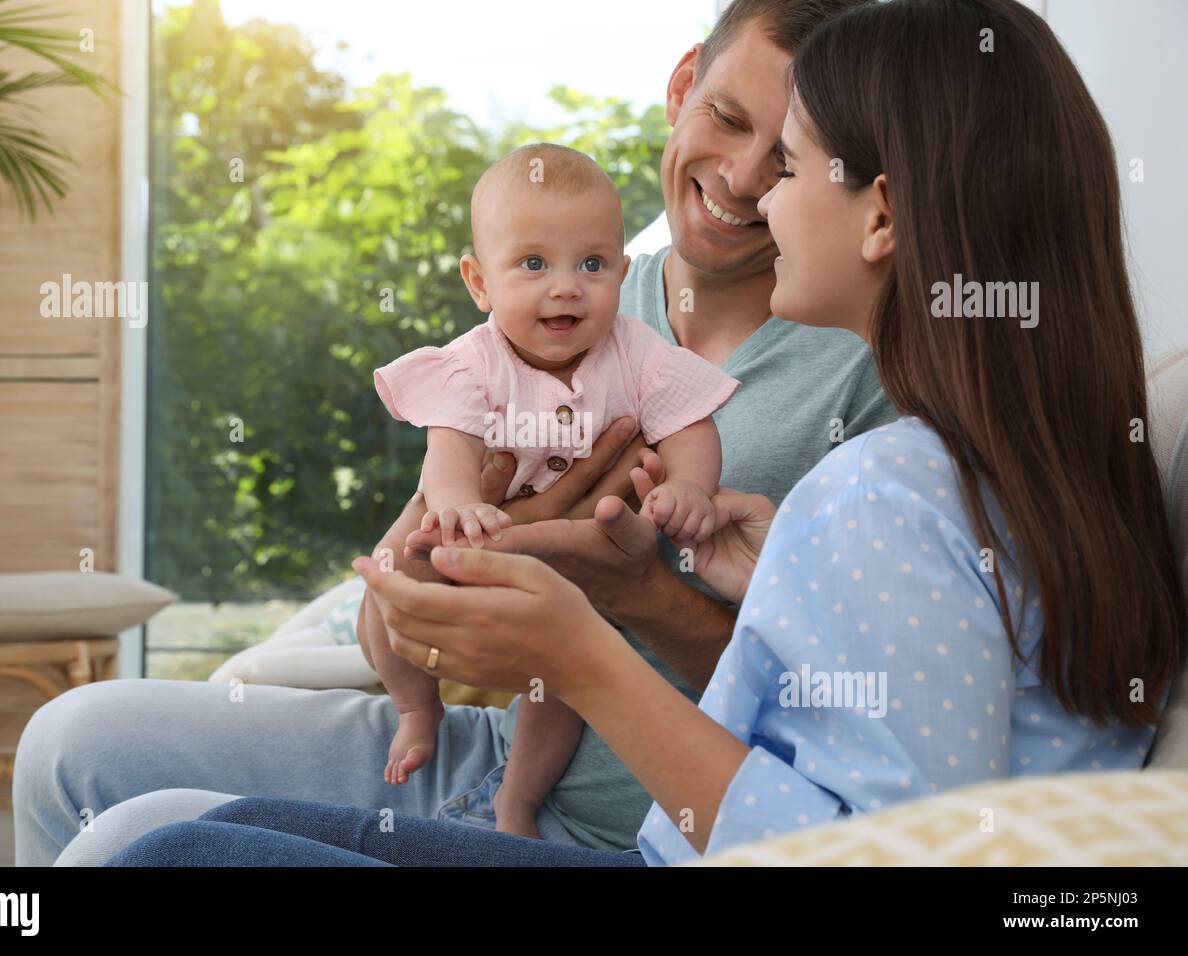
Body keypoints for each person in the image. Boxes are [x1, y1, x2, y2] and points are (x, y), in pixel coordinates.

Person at [107, 0, 1185, 867]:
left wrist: (578, 655)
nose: (762, 199)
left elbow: (879, 851)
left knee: (163, 851)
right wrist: (772, 598)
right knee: (156, 833)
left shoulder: (889, 487)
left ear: (884, 216)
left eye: (796, 168)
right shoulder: (1019, 471)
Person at [14, 0, 891, 867]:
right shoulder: (562, 299)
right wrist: (419, 571)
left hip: (645, 834)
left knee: (133, 846)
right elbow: (392, 612)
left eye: (782, 159)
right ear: (682, 84)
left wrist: (635, 598)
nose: (739, 178)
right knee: (70, 741)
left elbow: (860, 721)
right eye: (726, 119)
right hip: (495, 758)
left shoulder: (869, 370)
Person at [364, 142, 738, 840]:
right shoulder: (476, 362)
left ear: (622, 274)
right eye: (534, 264)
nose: (566, 286)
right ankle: (417, 708)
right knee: (388, 598)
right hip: (473, 537)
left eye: (592, 264)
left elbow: (690, 421)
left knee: (570, 675)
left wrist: (689, 487)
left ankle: (517, 801)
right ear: (480, 282)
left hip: (574, 576)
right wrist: (457, 506)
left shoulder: (635, 351)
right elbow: (450, 453)